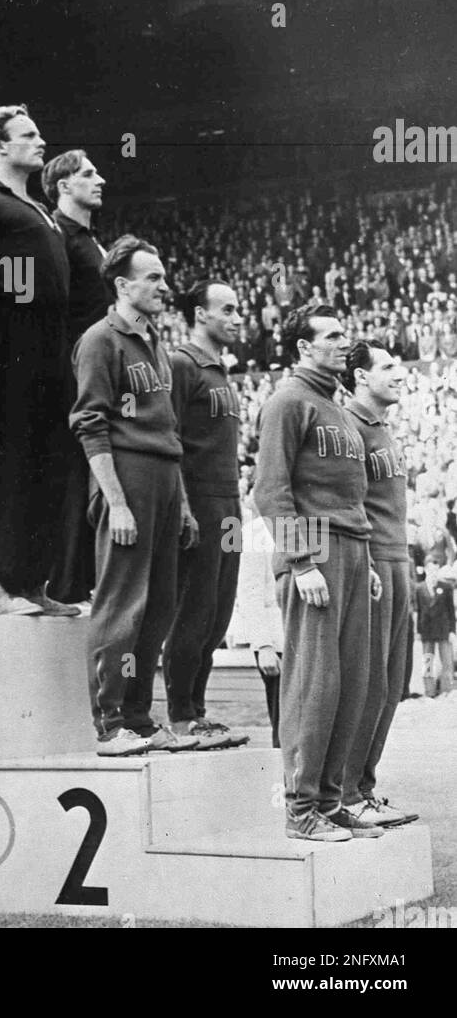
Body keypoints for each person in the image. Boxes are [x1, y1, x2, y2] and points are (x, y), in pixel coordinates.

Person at [253, 304, 382, 843]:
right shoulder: (288, 401)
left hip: (351, 550)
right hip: (315, 554)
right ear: (304, 347)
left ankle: (330, 801)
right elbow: (270, 490)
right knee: (315, 681)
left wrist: (366, 561)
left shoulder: (338, 406)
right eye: (331, 335)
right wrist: (302, 561)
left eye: (344, 333)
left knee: (351, 682)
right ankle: (301, 807)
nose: (343, 341)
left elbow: (352, 496)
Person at [70, 235, 200, 755]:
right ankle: (108, 723)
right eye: (154, 278)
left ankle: (140, 718)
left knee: (158, 607)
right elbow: (90, 423)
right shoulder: (100, 340)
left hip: (165, 478)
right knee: (122, 603)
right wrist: (117, 502)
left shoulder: (155, 343)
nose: (165, 286)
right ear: (123, 285)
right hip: (127, 477)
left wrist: (182, 502)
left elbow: (168, 430)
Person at [0, 105, 78, 616]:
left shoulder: (39, 209)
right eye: (29, 134)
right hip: (9, 341)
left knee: (50, 462)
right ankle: (5, 586)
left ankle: (34, 582)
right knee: (12, 464)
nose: (40, 141)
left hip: (52, 345)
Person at [162, 279, 249, 749]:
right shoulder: (182, 364)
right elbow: (169, 438)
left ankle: (198, 710)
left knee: (218, 611)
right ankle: (181, 715)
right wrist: (182, 507)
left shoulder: (220, 371)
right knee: (194, 608)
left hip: (230, 505)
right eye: (228, 309)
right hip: (200, 502)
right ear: (200, 313)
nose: (237, 318)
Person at [341, 342, 419, 827]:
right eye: (388, 366)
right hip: (372, 562)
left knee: (391, 684)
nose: (400, 373)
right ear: (360, 376)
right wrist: (364, 562)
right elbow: (345, 501)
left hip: (398, 559)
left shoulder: (383, 429)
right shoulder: (349, 426)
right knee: (368, 681)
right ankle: (347, 791)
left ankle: (364, 788)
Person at [42, 149, 108, 609]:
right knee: (72, 474)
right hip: (73, 376)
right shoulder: (58, 238)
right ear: (64, 186)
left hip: (97, 371)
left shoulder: (90, 240)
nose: (100, 180)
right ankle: (67, 584)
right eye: (88, 174)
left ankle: (85, 580)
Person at [234, 495, 284, 747]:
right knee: (284, 722)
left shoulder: (309, 525)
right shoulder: (255, 533)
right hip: (275, 640)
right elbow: (249, 594)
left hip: (306, 636)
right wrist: (264, 646)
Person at [415, 555, 455, 696]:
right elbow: (419, 611)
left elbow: (450, 610)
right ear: (426, 569)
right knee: (428, 661)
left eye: (436, 570)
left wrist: (452, 630)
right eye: (431, 570)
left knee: (447, 661)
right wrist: (418, 631)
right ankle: (429, 691)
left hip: (443, 628)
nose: (434, 573)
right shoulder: (420, 588)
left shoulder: (446, 587)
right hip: (427, 629)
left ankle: (446, 690)